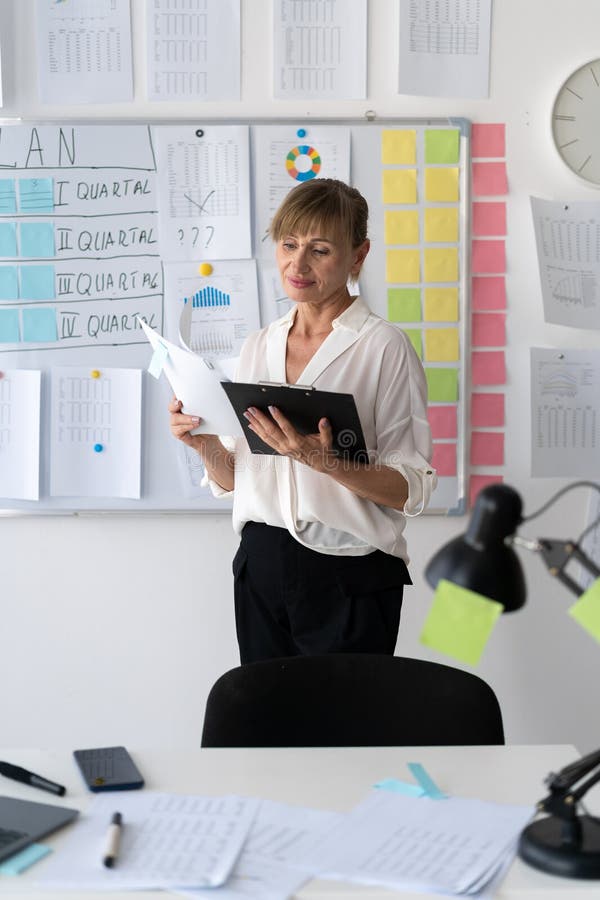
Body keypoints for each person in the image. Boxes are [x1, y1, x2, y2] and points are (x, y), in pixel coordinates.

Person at [169, 178, 436, 664]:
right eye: (288, 245)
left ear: (358, 255)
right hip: (261, 566)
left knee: (345, 730)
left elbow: (412, 488)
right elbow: (240, 478)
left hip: (348, 572)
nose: (298, 263)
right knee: (266, 729)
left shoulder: (383, 347)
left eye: (320, 249)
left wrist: (325, 462)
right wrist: (204, 445)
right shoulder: (258, 346)